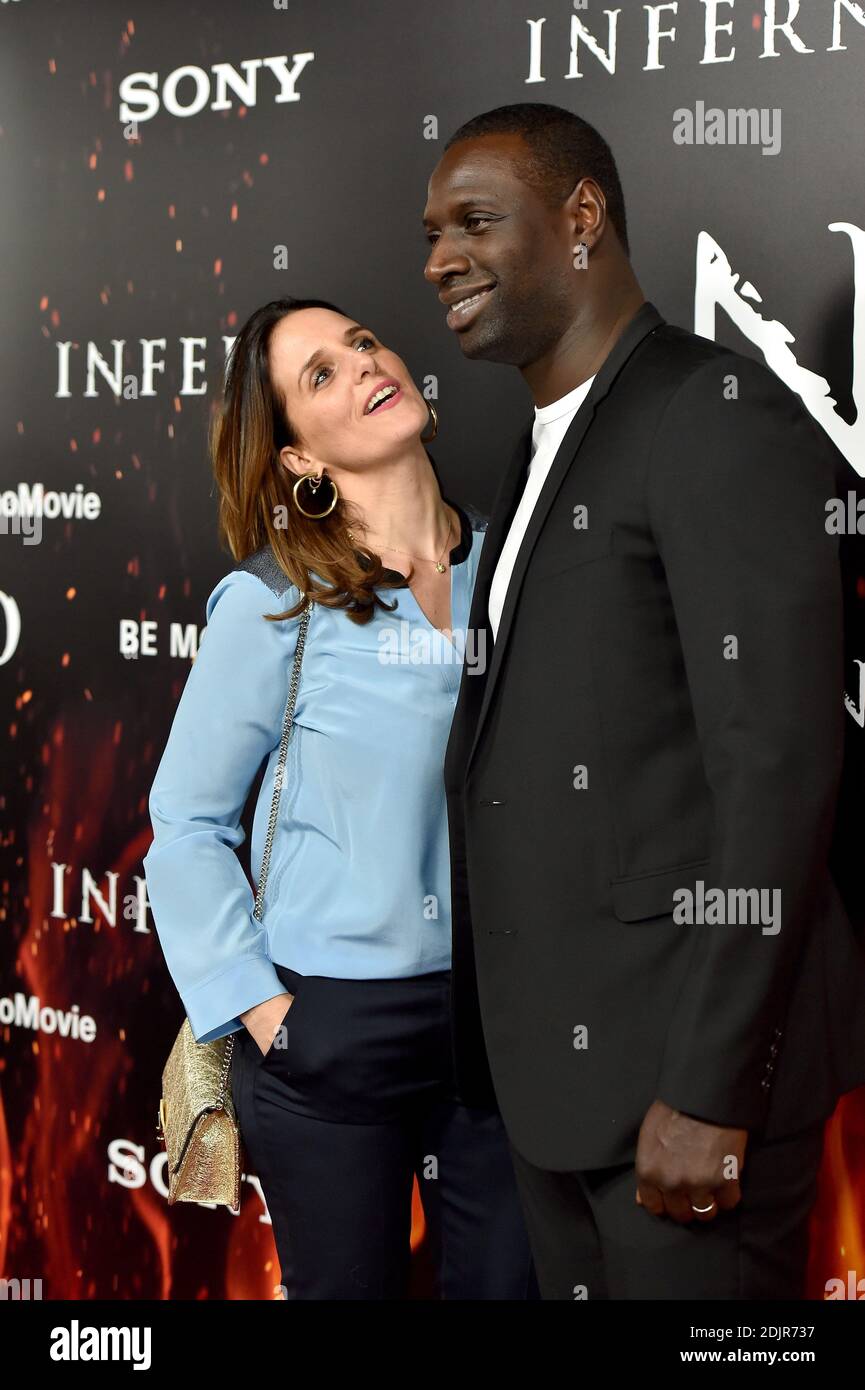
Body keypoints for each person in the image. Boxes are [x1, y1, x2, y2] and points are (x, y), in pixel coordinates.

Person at [422, 102, 865, 1300]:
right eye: (429, 234)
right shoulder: (539, 450)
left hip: (684, 1103)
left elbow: (775, 768)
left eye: (473, 221)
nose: (437, 261)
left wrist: (711, 1087)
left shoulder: (709, 416)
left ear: (580, 220)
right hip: (559, 1098)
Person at [143, 297, 537, 1300]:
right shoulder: (276, 604)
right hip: (331, 1034)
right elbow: (185, 825)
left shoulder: (519, 571)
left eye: (361, 342)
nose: (364, 363)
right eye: (318, 374)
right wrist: (269, 1013)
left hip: (506, 1028)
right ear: (297, 461)